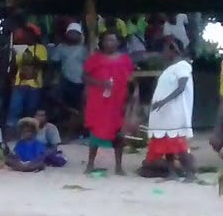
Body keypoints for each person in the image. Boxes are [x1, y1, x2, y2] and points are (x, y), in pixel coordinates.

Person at [82, 31, 135, 174]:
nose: (110, 43)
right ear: (102, 43)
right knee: (95, 132)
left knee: (118, 133)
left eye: (113, 40)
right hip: (98, 102)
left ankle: (119, 166)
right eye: (107, 40)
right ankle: (90, 164)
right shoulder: (95, 59)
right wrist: (100, 83)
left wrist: (130, 98)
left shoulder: (125, 59)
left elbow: (130, 80)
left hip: (117, 102)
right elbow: (85, 77)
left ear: (118, 42)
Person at [146, 37, 197, 181]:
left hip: (175, 113)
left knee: (178, 146)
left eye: (164, 50)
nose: (163, 53)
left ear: (172, 49)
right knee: (166, 146)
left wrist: (163, 101)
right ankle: (171, 173)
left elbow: (181, 87)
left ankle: (190, 174)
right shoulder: (170, 68)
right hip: (164, 114)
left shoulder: (182, 66)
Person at [7, 24, 46, 126]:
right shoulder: (18, 48)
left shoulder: (40, 48)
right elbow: (13, 66)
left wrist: (28, 55)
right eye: (24, 34)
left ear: (33, 35)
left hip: (35, 85)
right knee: (15, 109)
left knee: (31, 110)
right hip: (19, 84)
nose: (25, 36)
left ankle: (30, 129)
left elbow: (43, 65)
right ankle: (13, 130)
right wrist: (12, 80)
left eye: (28, 34)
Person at [50, 22, 87, 114]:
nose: (73, 35)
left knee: (81, 105)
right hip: (66, 80)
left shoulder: (86, 48)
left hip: (82, 82)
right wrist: (55, 78)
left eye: (75, 33)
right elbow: (55, 62)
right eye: (71, 33)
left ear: (80, 34)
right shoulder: (61, 47)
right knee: (64, 103)